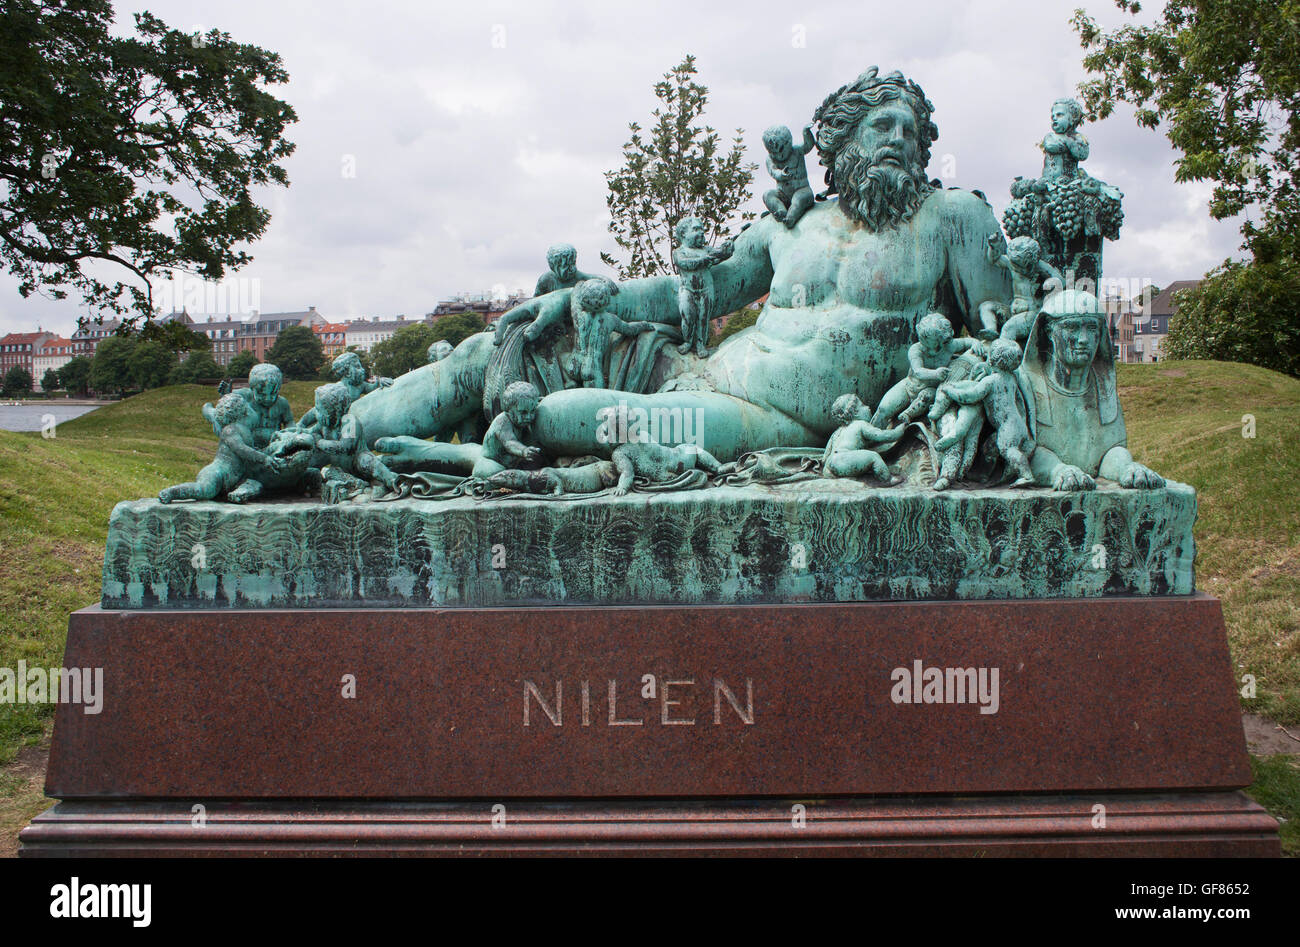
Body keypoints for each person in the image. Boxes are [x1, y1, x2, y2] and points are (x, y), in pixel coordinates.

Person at [352, 67, 1012, 466]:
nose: (898, 138)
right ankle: (329, 437)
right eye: (882, 125)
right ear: (844, 140)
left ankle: (453, 455)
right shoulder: (794, 224)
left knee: (568, 418)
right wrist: (588, 298)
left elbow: (1005, 335)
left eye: (911, 130)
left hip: (765, 418)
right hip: (695, 368)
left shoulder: (951, 218)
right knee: (500, 343)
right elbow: (693, 292)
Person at [1017, 289, 1164, 490]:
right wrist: (1058, 471)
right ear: (1049, 331)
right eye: (1071, 327)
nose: (1084, 339)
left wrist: (1126, 467)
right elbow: (1028, 452)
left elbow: (1110, 451)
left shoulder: (1103, 385)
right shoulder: (1027, 383)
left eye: (1092, 328)